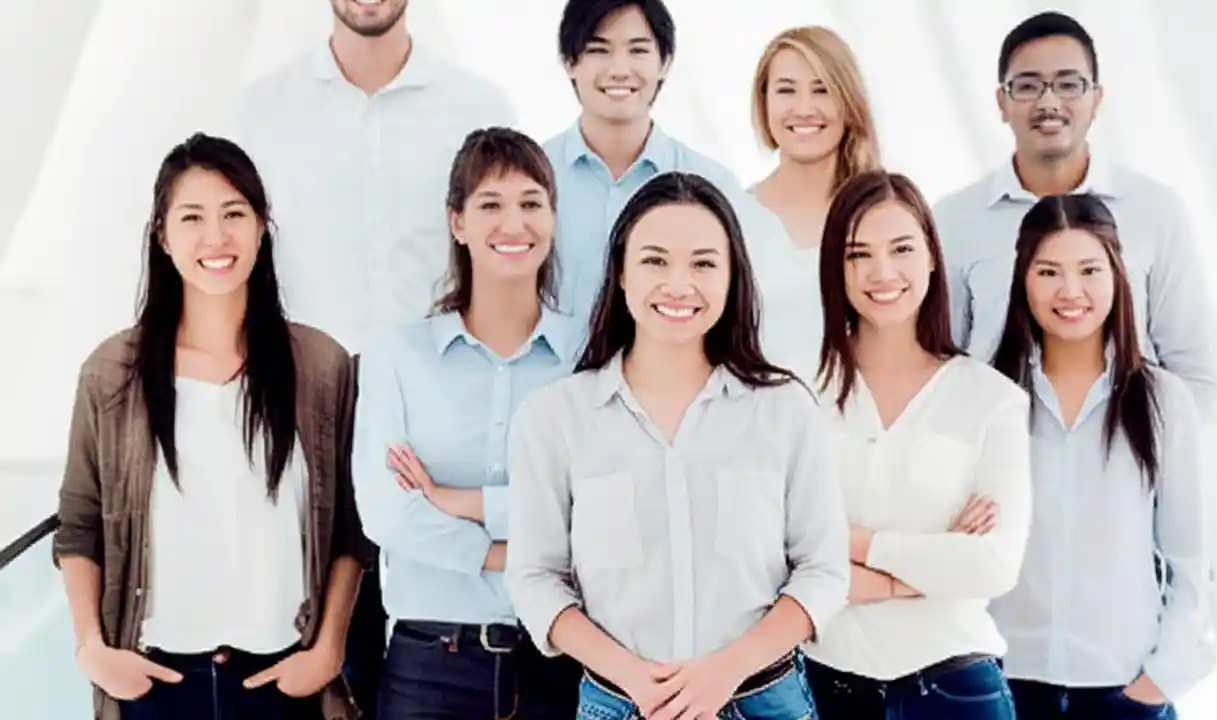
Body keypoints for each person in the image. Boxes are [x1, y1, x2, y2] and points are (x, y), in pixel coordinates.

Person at [234, 3, 516, 710]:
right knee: (312, 636)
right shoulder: (263, 108)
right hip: (302, 393)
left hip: (443, 397)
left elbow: (514, 240)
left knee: (435, 615)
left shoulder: (477, 104)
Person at [505, 172, 849, 720]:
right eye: (655, 261)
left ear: (734, 275)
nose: (679, 284)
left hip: (763, 700)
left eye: (704, 264)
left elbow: (824, 570)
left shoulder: (784, 409)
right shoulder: (555, 417)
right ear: (620, 271)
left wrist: (727, 670)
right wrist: (633, 678)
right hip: (620, 702)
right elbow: (534, 578)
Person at [53, 133, 371, 720]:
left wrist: (327, 649)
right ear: (162, 236)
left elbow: (352, 526)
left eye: (234, 214)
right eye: (192, 216)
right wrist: (92, 650)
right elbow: (79, 524)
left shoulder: (321, 366)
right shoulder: (112, 373)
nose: (216, 237)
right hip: (155, 683)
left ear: (261, 227)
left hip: (283, 680)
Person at [352, 127, 582, 719]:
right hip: (431, 666)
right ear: (457, 222)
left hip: (561, 659)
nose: (514, 223)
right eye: (490, 204)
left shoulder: (592, 358)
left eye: (531, 203)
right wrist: (519, 551)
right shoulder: (398, 355)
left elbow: (599, 506)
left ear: (553, 218)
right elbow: (387, 512)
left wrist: (456, 499)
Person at [932, 11, 1217, 439]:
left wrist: (1171, 475)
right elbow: (939, 369)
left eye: (1069, 84)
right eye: (1027, 85)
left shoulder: (1154, 209)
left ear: (1096, 98)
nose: (1048, 101)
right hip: (1002, 476)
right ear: (1001, 102)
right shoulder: (954, 219)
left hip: (1127, 468)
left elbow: (1197, 372)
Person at [801, 171, 1030, 719]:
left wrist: (852, 542)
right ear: (836, 267)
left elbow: (993, 566)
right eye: (859, 254)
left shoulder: (989, 399)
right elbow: (773, 552)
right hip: (825, 684)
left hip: (955, 689)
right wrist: (918, 573)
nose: (883, 272)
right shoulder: (798, 393)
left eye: (901, 248)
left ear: (931, 256)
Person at [989, 194, 1215, 719]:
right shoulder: (988, 396)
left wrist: (1155, 685)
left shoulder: (1162, 400)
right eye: (1048, 271)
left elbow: (1190, 560)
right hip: (1004, 687)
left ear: (1117, 275)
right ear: (1023, 279)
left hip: (1124, 690)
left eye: (1089, 269)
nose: (1070, 291)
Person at [234, 0, 516, 353]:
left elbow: (509, 257)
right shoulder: (261, 110)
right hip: (304, 383)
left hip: (446, 377)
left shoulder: (478, 108)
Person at [545, 0, 802, 373]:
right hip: (552, 406)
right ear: (569, 62)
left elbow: (771, 302)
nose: (620, 69)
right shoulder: (529, 182)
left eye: (638, 50)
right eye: (598, 50)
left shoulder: (712, 185)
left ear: (664, 62)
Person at [746, 25, 882, 383]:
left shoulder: (886, 215)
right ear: (764, 102)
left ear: (849, 101)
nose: (804, 109)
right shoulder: (732, 217)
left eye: (822, 90)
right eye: (786, 90)